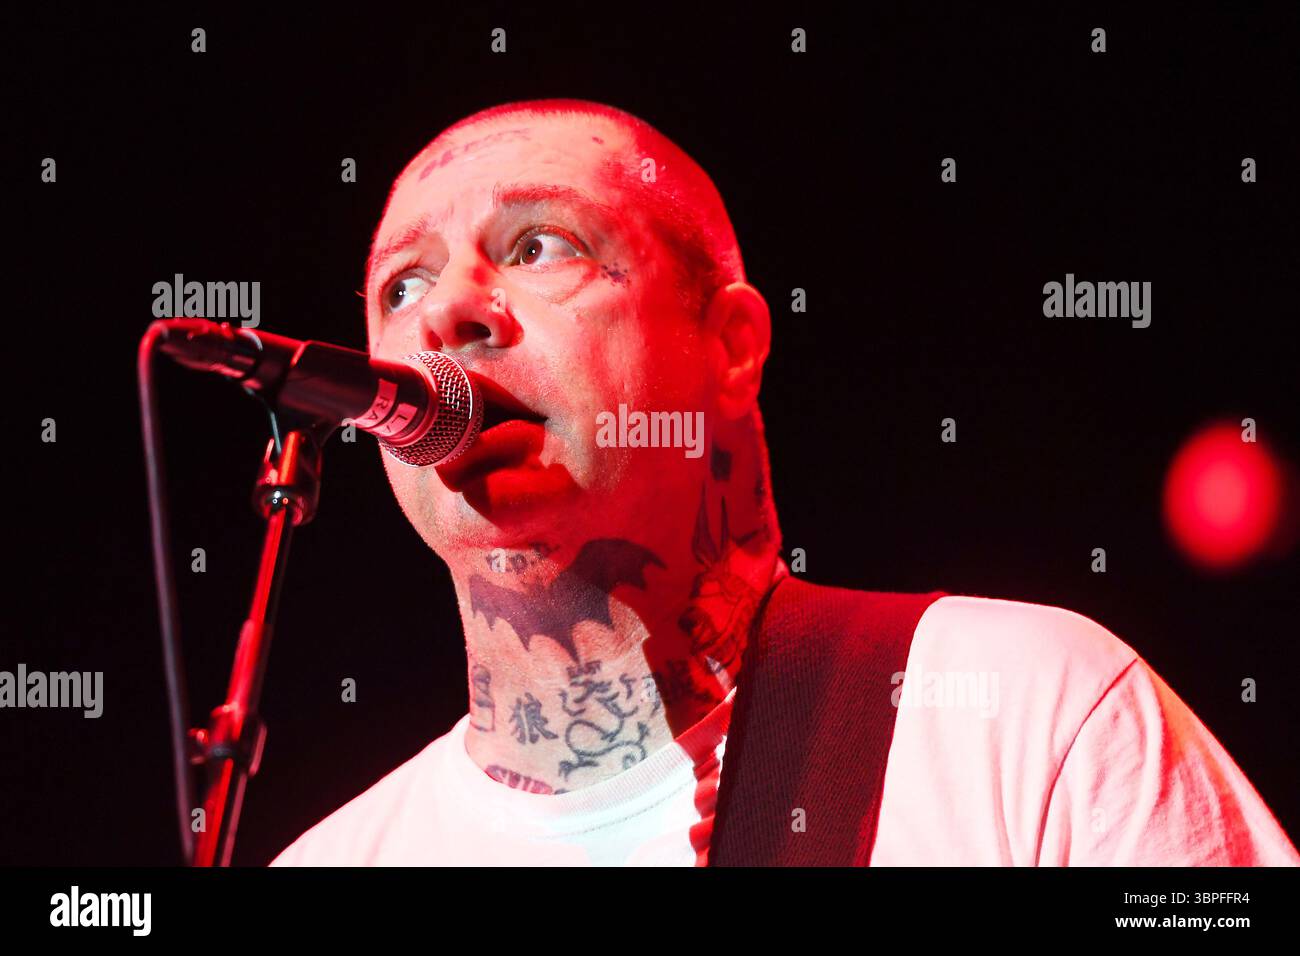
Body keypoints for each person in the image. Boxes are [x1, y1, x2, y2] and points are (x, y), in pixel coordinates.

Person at [271, 98, 1298, 866]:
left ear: (729, 346)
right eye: (400, 284)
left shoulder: (1029, 710)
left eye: (539, 245)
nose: (445, 313)